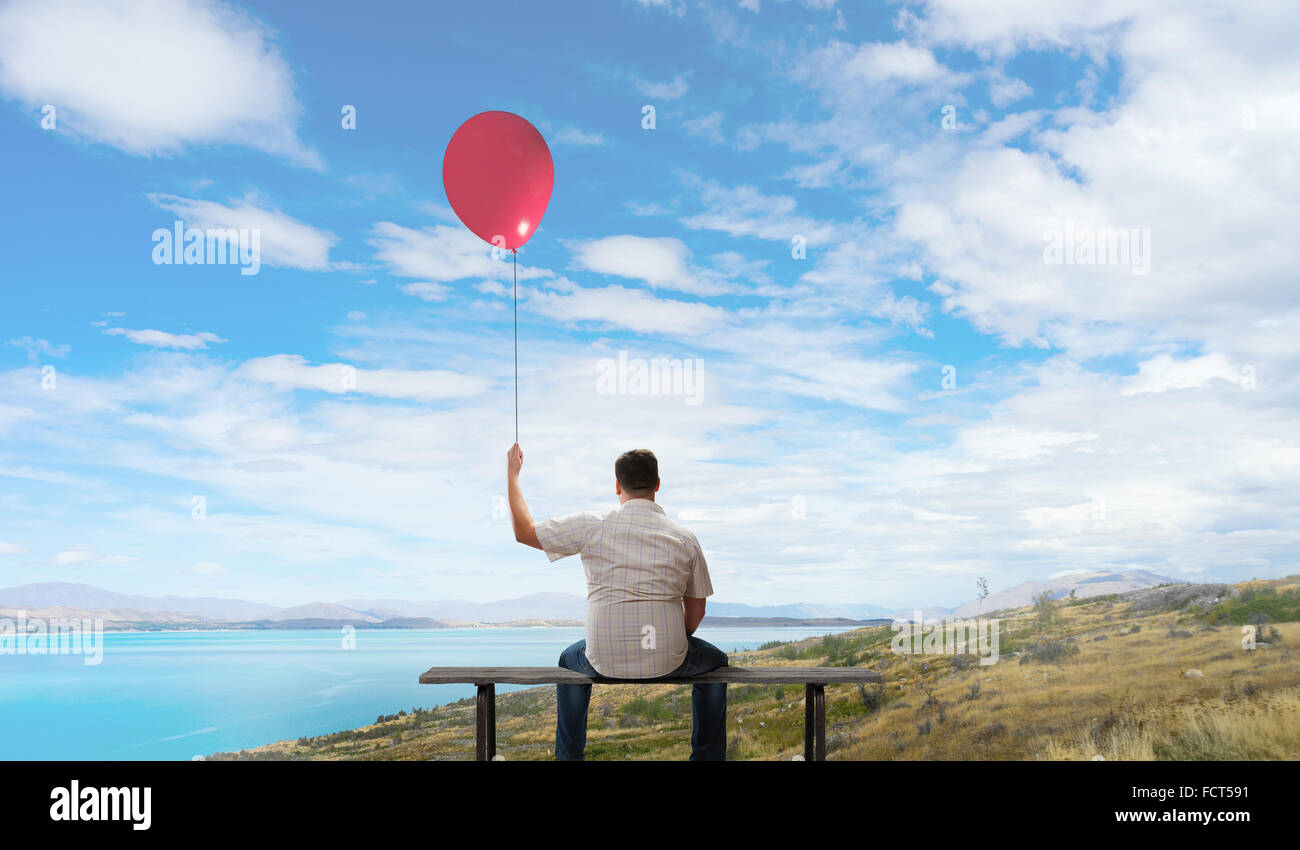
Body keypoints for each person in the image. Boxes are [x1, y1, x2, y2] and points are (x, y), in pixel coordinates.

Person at [506, 443, 728, 760]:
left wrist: (513, 474)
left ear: (617, 485)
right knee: (716, 661)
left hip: (601, 659)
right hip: (669, 659)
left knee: (569, 661)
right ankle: (706, 757)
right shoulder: (685, 537)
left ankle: (569, 757)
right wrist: (670, 641)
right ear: (657, 484)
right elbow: (696, 609)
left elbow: (523, 532)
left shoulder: (591, 525)